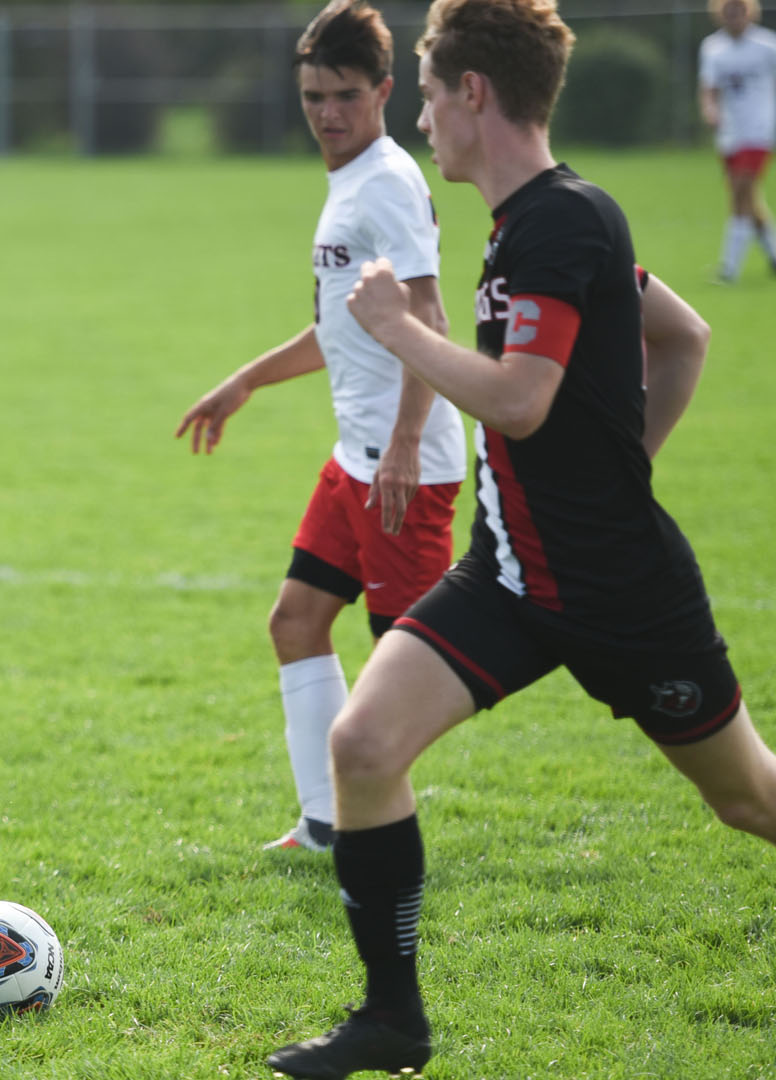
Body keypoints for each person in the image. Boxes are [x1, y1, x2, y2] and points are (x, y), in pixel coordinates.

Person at [267, 1, 775, 1076]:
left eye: (432, 93)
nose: (424, 117)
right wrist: (626, 459)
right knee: (363, 747)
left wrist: (400, 326)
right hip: (510, 575)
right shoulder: (538, 222)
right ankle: (392, 1022)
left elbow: (523, 400)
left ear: (474, 95)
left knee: (747, 800)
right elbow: (683, 336)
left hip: (622, 591)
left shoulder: (560, 222)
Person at [176, 0, 463, 854]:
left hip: (404, 468)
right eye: (312, 97)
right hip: (357, 459)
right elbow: (341, 326)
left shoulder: (388, 183)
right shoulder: (350, 182)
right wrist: (246, 382)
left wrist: (407, 444)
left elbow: (430, 320)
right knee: (295, 621)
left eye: (343, 95)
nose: (326, 114)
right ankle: (326, 822)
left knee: (405, 673)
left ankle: (378, 832)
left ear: (382, 91)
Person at [700, 0, 776, 282]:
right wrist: (710, 110)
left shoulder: (767, 45)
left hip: (760, 131)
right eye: (728, 12)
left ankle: (729, 269)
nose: (734, 17)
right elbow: (708, 87)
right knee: (747, 197)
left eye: (739, 11)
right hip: (730, 134)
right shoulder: (712, 47)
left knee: (741, 192)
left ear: (749, 13)